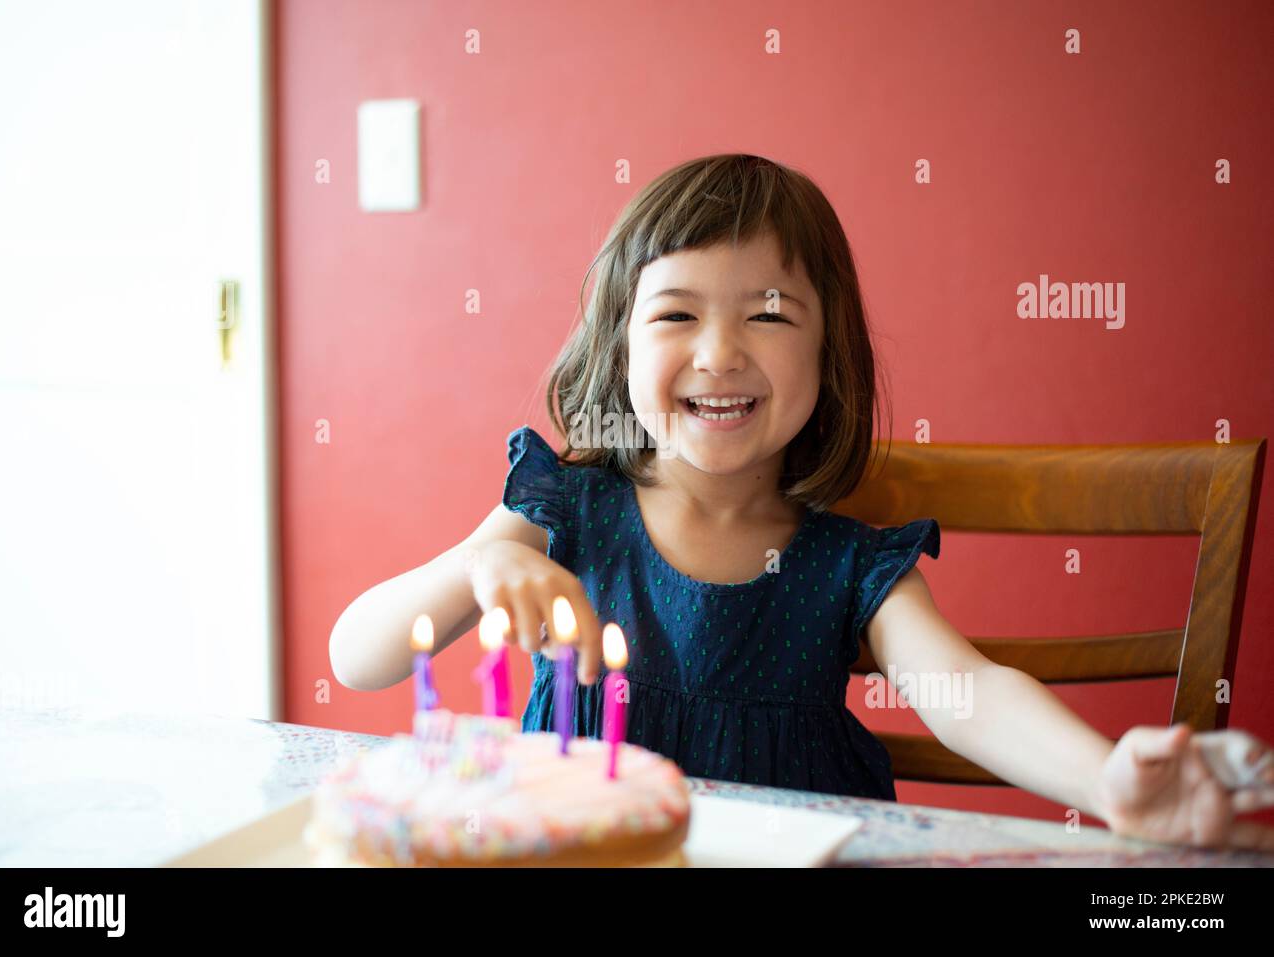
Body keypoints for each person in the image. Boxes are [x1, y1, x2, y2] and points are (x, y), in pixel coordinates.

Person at [330, 153, 1274, 850]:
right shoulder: (559, 508)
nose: (718, 353)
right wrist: (481, 562)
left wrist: (1108, 781)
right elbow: (357, 656)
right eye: (676, 313)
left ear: (831, 356)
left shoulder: (848, 563)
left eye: (769, 314)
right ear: (618, 347)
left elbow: (967, 694)